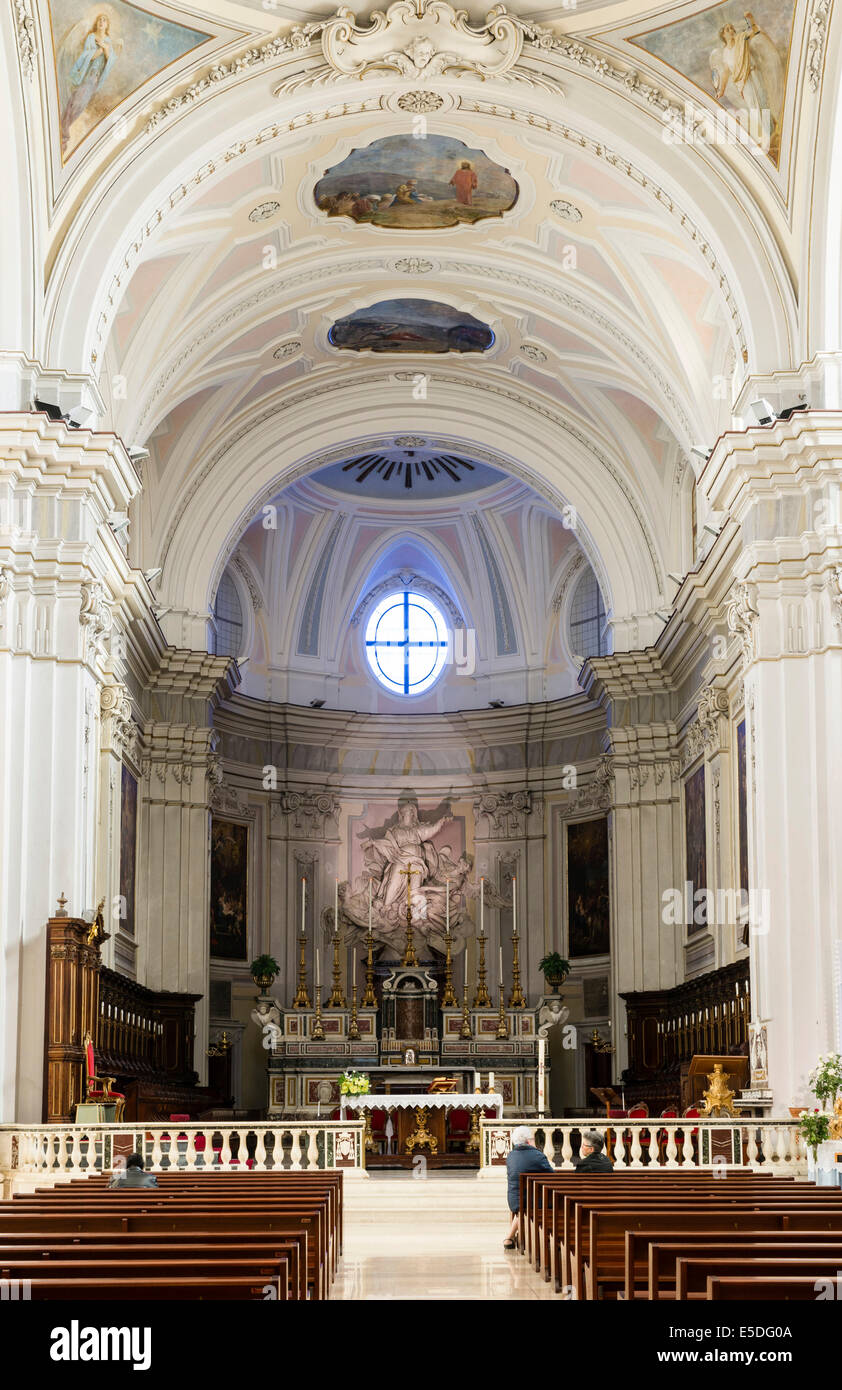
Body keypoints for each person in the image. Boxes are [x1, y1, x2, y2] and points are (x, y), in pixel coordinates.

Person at [503, 1124, 553, 1249]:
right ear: (528, 1141)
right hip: (535, 1200)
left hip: (514, 1199)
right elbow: (552, 1176)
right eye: (532, 1139)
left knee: (523, 1209)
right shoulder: (538, 1156)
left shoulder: (510, 1156)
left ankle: (509, 1237)